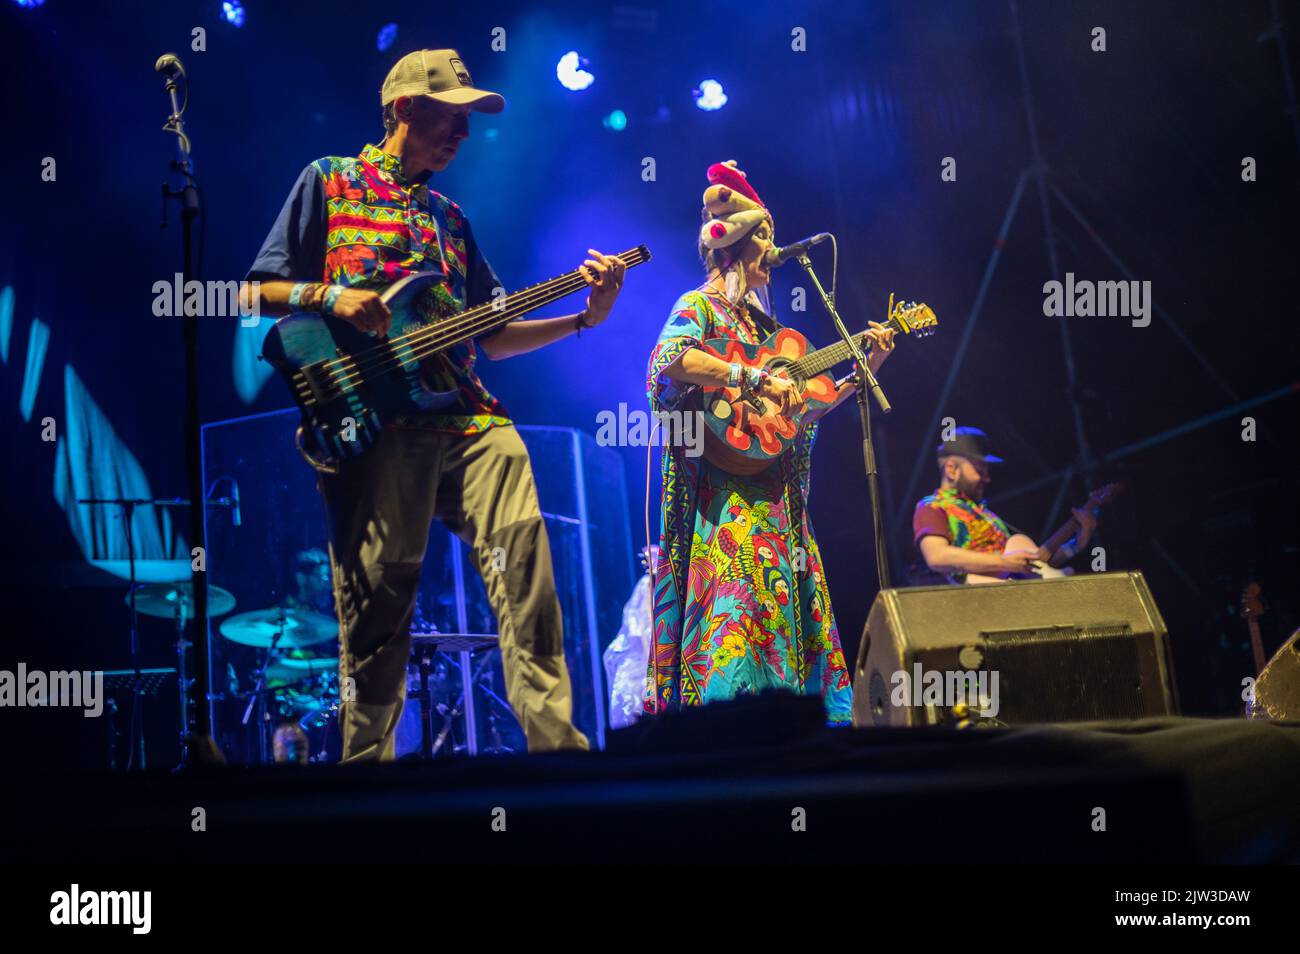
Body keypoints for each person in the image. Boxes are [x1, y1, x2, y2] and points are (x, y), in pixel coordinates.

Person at [244, 48, 627, 760]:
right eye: (450, 117)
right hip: (377, 420)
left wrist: (584, 317)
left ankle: (557, 753)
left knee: (525, 568)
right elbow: (255, 289)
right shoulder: (329, 181)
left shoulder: (450, 217)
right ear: (402, 110)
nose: (462, 134)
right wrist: (330, 296)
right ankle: (368, 768)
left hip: (470, 416)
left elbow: (496, 332)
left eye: (467, 121)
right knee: (380, 602)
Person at [644, 160, 895, 724]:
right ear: (738, 245)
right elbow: (668, 362)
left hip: (778, 505)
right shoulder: (697, 307)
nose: (771, 257)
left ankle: (797, 738)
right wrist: (749, 377)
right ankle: (732, 735)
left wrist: (864, 366)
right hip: (721, 502)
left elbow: (799, 415)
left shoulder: (771, 334)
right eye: (764, 242)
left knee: (783, 609)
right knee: (737, 612)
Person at [913, 427, 1096, 583]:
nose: (987, 478)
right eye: (980, 470)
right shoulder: (932, 506)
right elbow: (937, 556)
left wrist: (1076, 545)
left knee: (1021, 546)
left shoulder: (986, 515)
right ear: (952, 469)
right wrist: (1004, 562)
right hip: (971, 605)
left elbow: (1032, 566)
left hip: (1010, 597)